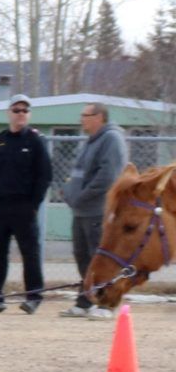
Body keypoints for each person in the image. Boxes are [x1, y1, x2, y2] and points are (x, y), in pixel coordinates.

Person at [0, 94, 53, 314]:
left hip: (24, 207)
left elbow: (44, 176)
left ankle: (34, 296)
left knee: (30, 252)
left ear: (29, 115)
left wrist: (33, 204)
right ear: (8, 113)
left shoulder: (36, 141)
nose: (21, 114)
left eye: (25, 111)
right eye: (16, 110)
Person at [61, 102, 128, 318]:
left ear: (99, 117)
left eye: (85, 115)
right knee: (83, 257)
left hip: (98, 210)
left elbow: (107, 177)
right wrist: (69, 192)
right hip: (81, 211)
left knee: (101, 258)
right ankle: (85, 300)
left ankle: (106, 303)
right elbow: (80, 174)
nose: (82, 119)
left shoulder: (111, 139)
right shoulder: (91, 141)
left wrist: (81, 196)